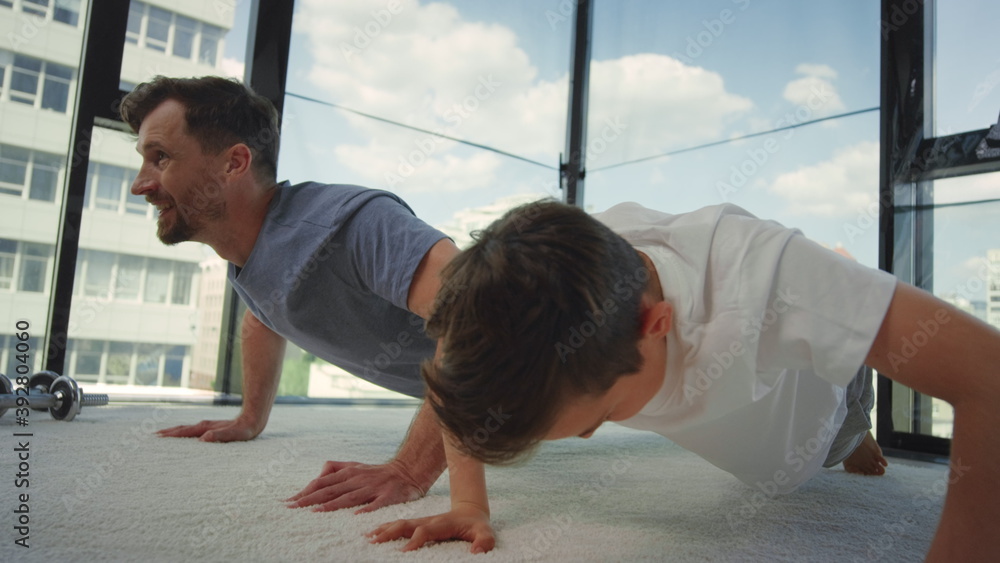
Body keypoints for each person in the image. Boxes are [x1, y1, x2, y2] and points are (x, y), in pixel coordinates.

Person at [367, 200, 1000, 560]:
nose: (585, 440)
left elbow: (990, 375)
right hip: (756, 412)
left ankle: (847, 291)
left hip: (815, 410)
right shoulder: (533, 282)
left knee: (838, 431)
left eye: (596, 420)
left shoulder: (759, 280)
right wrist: (469, 502)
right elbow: (461, 368)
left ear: (656, 322)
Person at [120, 76, 453, 513]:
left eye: (159, 158)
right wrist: (249, 418)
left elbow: (483, 318)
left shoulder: (351, 223)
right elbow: (264, 316)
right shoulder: (252, 250)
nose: (139, 185)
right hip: (514, 412)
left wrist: (410, 470)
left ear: (234, 163)